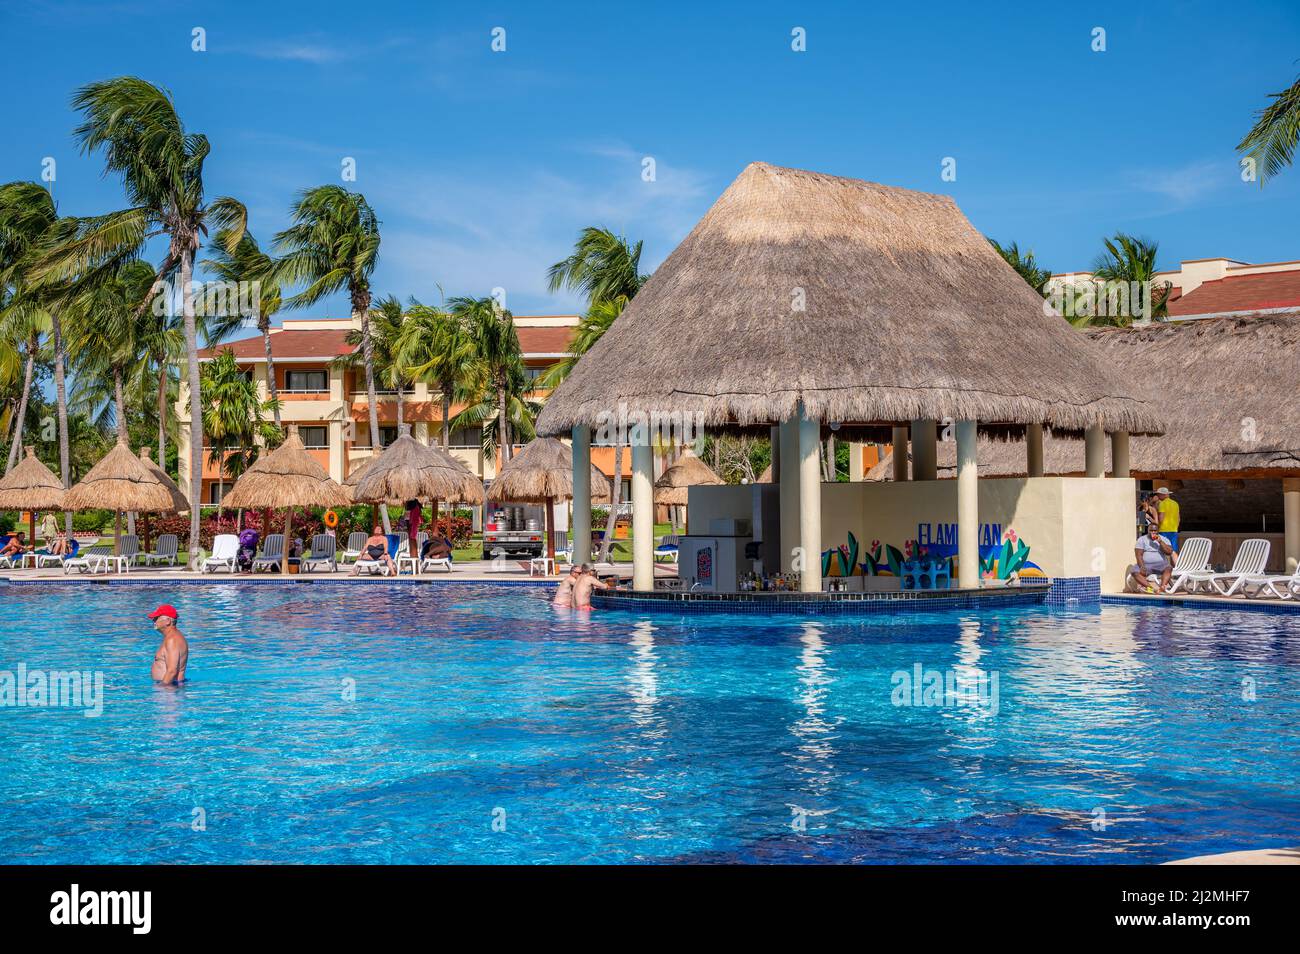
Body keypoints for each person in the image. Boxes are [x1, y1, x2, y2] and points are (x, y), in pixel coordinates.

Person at [1128, 523, 1177, 593]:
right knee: (1134, 571)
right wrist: (1142, 566)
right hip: (1146, 564)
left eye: (1155, 530)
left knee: (1169, 568)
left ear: (1158, 531)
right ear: (1148, 530)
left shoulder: (1164, 539)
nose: (1153, 532)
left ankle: (1162, 587)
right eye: (1151, 530)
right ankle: (1151, 588)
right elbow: (1138, 555)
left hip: (1161, 564)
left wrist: (1160, 542)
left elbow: (1169, 552)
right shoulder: (1142, 539)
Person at [148, 604, 189, 685]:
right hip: (171, 687)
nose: (154, 621)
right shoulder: (174, 637)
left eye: (156, 618)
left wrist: (162, 688)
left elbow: (172, 671)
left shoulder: (172, 640)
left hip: (169, 689)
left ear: (168, 621)